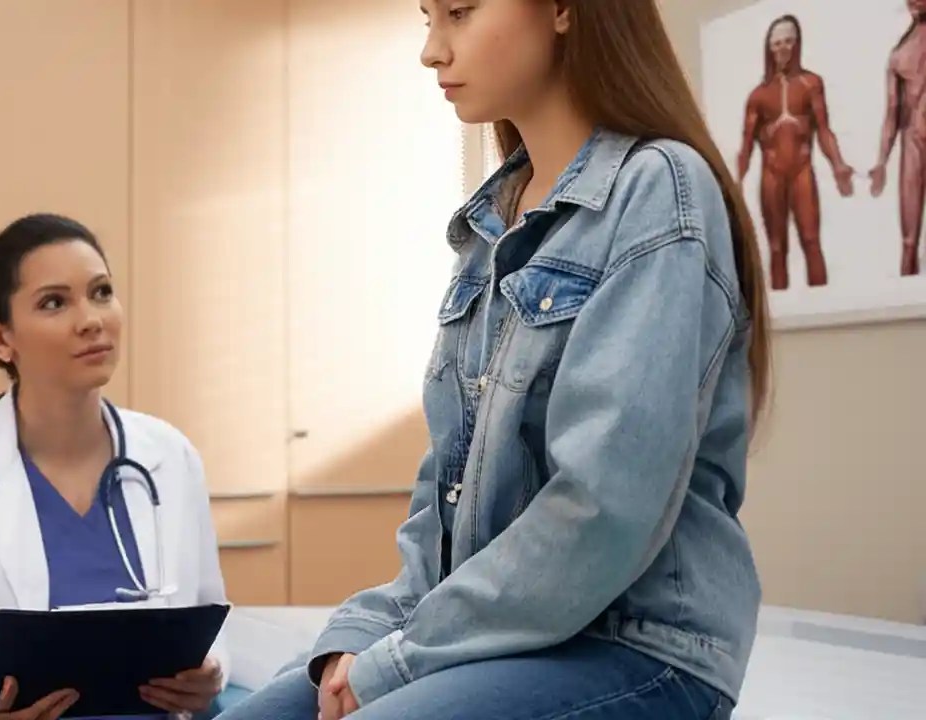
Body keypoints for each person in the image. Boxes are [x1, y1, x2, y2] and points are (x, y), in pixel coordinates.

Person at [219, 1, 770, 719]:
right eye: (427, 18)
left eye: (460, 12)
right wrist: (364, 641)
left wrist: (398, 663)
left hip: (639, 646)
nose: (432, 50)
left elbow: (604, 510)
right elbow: (440, 500)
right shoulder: (492, 218)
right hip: (496, 639)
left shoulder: (658, 187)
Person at [0, 213, 231, 720]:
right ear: (0, 338)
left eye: (101, 292)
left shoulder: (171, 456)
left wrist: (210, 672)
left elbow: (209, 618)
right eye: (55, 302)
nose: (91, 319)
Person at [736, 13, 854, 290]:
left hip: (801, 171)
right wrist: (736, 186)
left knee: (811, 240)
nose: (783, 49)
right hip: (772, 174)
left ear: (797, 43)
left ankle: (823, 306)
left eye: (788, 42)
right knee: (777, 248)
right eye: (777, 44)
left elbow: (824, 130)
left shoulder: (811, 84)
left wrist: (838, 164)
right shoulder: (759, 95)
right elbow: (746, 145)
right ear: (769, 47)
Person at [871, 0, 926, 276]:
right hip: (912, 144)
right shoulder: (899, 55)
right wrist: (881, 162)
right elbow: (891, 114)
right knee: (908, 241)